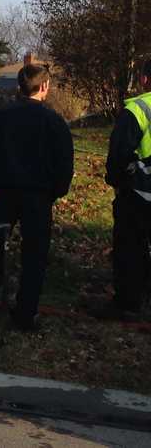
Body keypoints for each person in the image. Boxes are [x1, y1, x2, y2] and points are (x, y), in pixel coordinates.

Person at [0, 64, 74, 331]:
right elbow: (64, 164)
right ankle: (26, 314)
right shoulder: (54, 122)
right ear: (45, 87)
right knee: (34, 255)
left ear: (18, 86)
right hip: (39, 198)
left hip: (4, 194)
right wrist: (55, 192)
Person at [94, 58, 151, 321]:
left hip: (139, 194)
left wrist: (117, 182)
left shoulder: (139, 109)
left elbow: (118, 156)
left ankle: (128, 304)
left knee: (130, 248)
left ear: (144, 79)